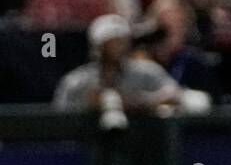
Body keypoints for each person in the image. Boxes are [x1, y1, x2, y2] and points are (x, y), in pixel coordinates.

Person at [52, 13, 180, 111]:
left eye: (122, 40)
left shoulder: (147, 72)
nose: (119, 46)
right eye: (112, 42)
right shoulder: (77, 81)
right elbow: (60, 113)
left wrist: (137, 102)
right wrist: (90, 104)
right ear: (98, 47)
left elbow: (174, 94)